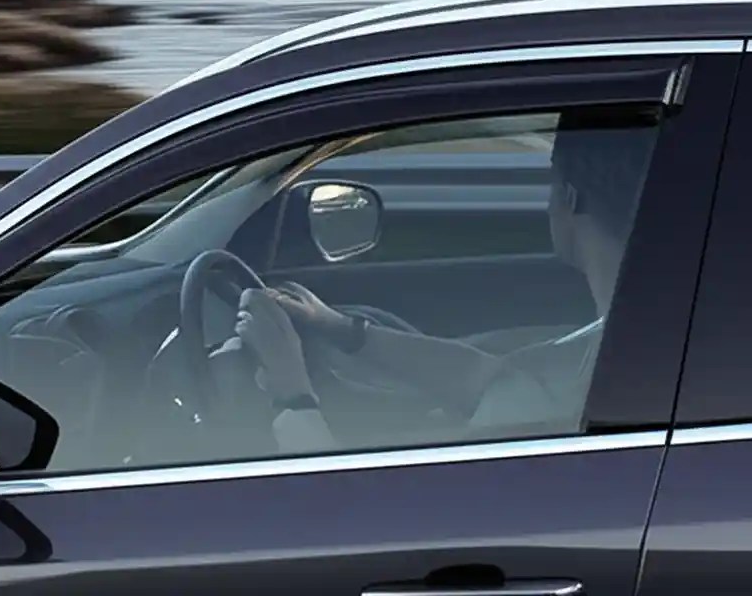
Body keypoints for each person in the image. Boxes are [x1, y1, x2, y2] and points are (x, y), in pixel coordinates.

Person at [216, 115, 655, 453]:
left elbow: (349, 517)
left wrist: (291, 393)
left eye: (552, 183)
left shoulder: (595, 374)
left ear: (570, 196)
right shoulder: (635, 339)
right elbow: (493, 377)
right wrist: (341, 328)